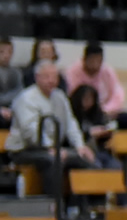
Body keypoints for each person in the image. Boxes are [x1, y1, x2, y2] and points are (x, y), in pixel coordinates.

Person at [9, 59, 108, 194]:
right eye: (46, 76)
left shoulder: (60, 97)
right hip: (25, 150)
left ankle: (82, 206)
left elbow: (71, 124)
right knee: (53, 161)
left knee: (86, 158)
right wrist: (50, 148)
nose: (51, 80)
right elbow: (30, 131)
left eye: (54, 76)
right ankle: (54, 205)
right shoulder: (26, 98)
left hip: (54, 148)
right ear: (37, 78)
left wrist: (80, 146)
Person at [67, 41, 127, 129]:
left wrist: (106, 109)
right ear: (84, 59)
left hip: (105, 112)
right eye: (92, 60)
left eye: (98, 61)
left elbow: (117, 95)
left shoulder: (107, 71)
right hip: (83, 113)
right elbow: (73, 97)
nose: (95, 65)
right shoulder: (73, 72)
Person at [69, 84, 116, 150]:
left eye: (91, 99)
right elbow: (72, 136)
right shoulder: (71, 113)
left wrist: (104, 133)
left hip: (98, 148)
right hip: (78, 148)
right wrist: (89, 133)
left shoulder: (96, 113)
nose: (89, 102)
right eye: (86, 98)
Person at [0, 37, 21, 130]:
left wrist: (11, 109)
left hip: (12, 108)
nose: (6, 55)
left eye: (9, 52)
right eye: (2, 52)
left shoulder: (16, 72)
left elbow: (19, 91)